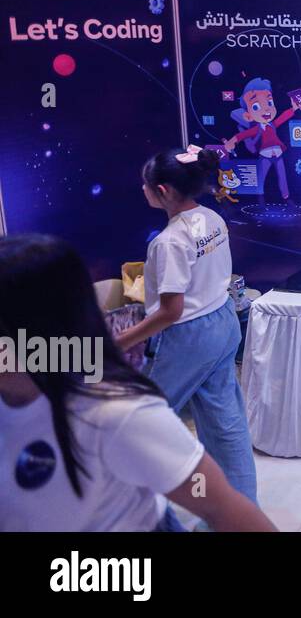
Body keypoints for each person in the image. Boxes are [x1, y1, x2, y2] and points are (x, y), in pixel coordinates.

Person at [0, 234, 275, 531]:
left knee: (214, 430)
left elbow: (213, 499)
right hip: (215, 326)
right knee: (224, 421)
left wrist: (187, 482)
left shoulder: (116, 413)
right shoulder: (207, 224)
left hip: (192, 336)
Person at [114, 147, 257, 504]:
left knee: (140, 421)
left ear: (161, 191)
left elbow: (170, 312)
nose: (142, 191)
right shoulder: (211, 218)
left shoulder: (168, 242)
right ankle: (240, 511)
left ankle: (133, 511)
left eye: (145, 186)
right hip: (224, 322)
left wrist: (121, 340)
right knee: (226, 425)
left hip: (189, 337)